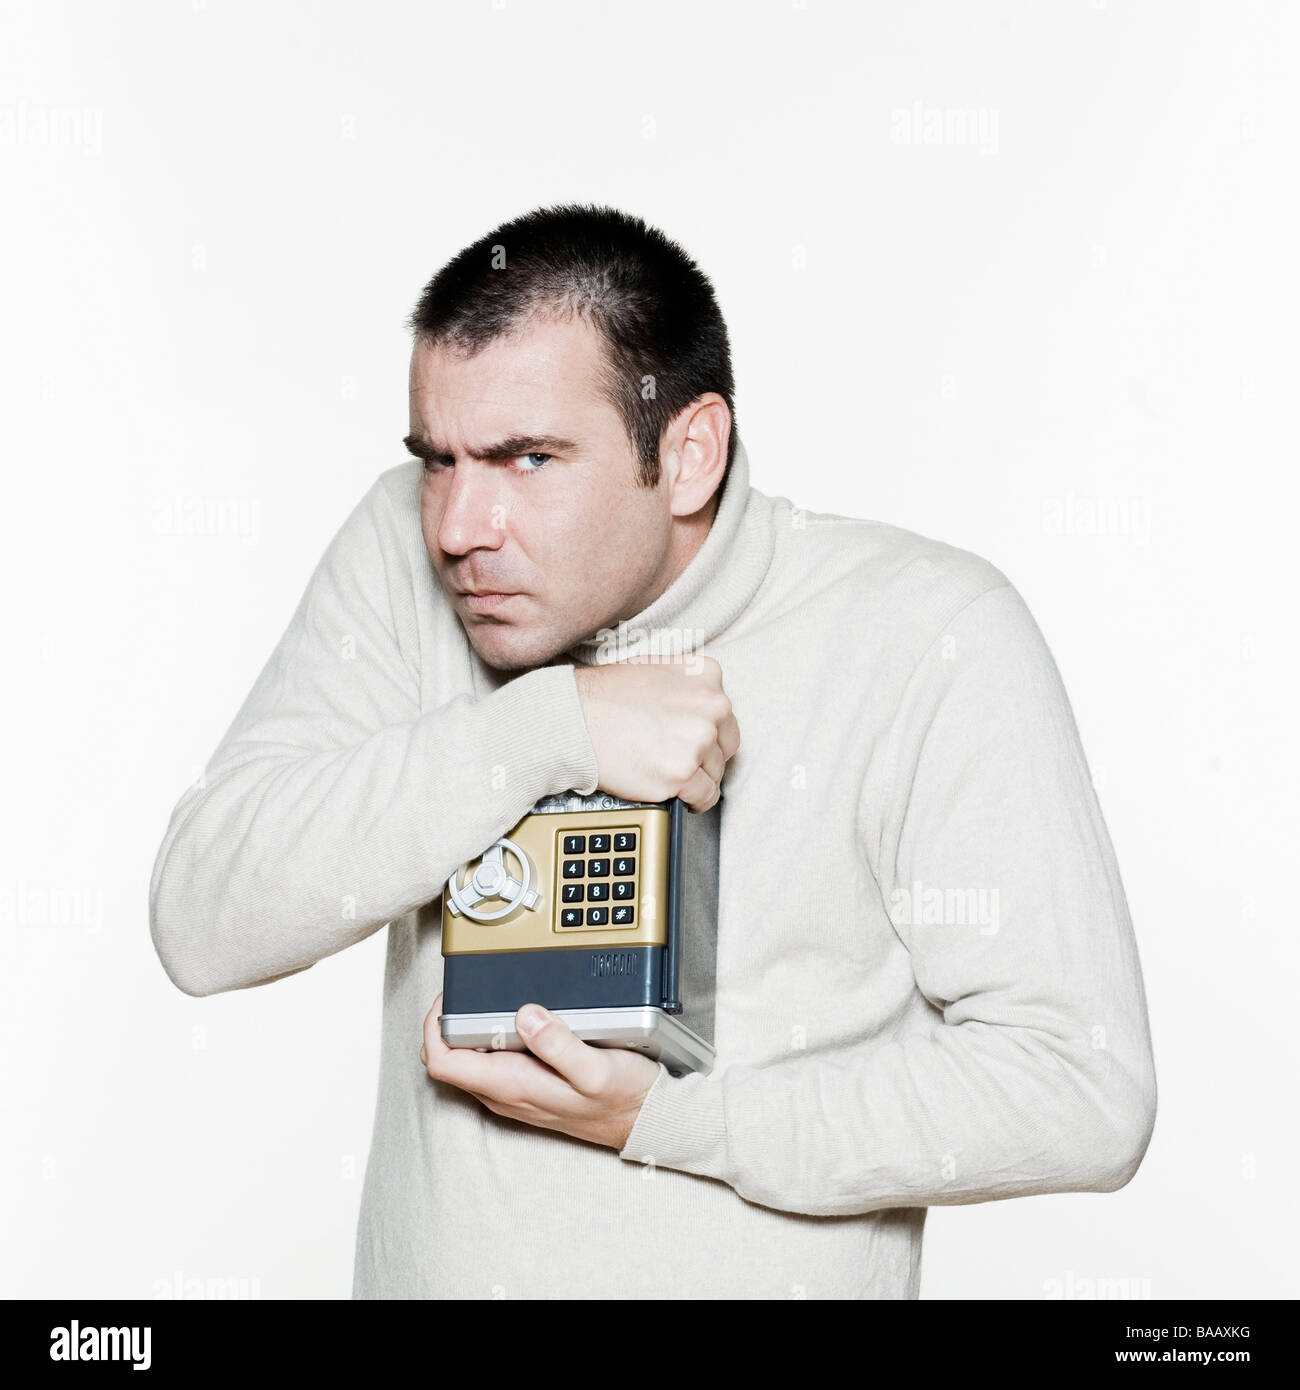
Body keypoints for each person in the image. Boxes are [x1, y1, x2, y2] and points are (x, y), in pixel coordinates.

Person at [149, 202, 1157, 1300]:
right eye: (437, 458)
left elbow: (1081, 1087)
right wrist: (548, 726)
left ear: (688, 454)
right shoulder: (403, 556)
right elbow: (203, 921)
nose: (457, 524)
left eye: (526, 457)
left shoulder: (926, 634)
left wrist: (671, 1118)